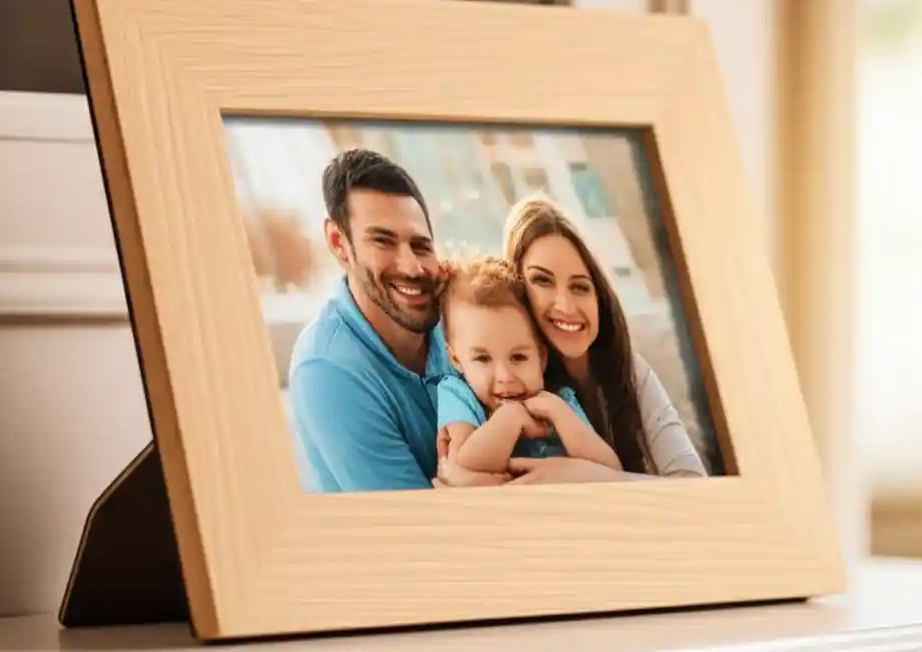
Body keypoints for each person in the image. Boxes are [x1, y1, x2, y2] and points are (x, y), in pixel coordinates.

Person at [287, 149, 505, 492]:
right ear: (339, 243)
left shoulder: (454, 313)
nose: (412, 267)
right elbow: (415, 530)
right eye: (383, 242)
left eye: (421, 246)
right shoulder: (328, 369)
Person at [501, 197, 708, 483]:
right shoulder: (508, 383)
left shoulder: (630, 370)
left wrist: (588, 478)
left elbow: (694, 486)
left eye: (580, 286)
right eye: (543, 281)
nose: (566, 306)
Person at [434, 256, 621, 474]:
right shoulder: (458, 394)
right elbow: (467, 465)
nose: (504, 376)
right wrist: (512, 417)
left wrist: (560, 414)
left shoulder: (557, 401)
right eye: (483, 359)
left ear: (542, 357)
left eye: (518, 357)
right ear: (456, 360)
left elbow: (611, 470)